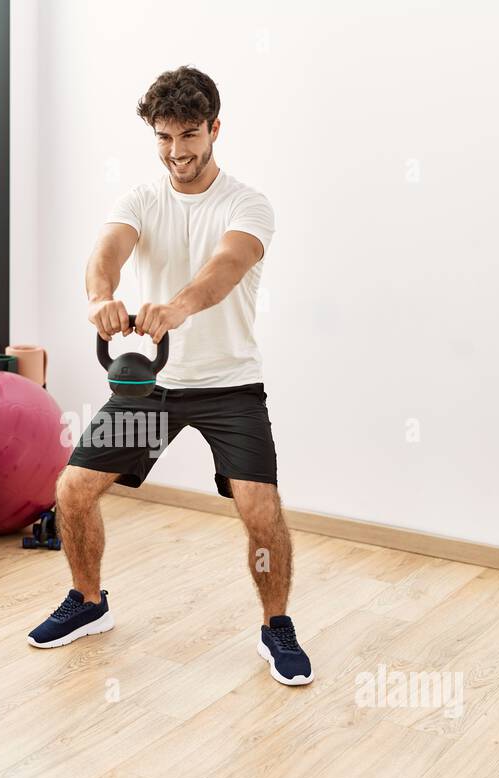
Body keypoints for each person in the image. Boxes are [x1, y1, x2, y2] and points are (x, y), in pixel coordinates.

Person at [27, 65, 312, 686]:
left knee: (260, 509)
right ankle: (88, 602)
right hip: (152, 387)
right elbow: (106, 253)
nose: (177, 151)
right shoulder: (140, 199)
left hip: (229, 385)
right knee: (73, 490)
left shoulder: (247, 204)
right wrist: (100, 297)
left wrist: (178, 307)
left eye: (189, 135)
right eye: (164, 137)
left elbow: (226, 266)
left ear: (214, 129)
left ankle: (276, 625)